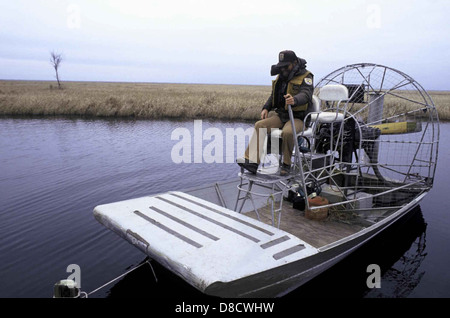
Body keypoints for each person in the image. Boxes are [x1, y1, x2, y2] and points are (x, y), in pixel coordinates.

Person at [237, 50, 314, 176]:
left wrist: (294, 100)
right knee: (259, 125)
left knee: (288, 132)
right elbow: (274, 95)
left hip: (298, 118)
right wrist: (266, 107)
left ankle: (286, 164)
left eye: (286, 66)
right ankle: (252, 161)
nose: (283, 69)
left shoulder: (306, 76)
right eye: (281, 66)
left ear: (294, 63)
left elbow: (306, 94)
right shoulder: (281, 76)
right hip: (282, 115)